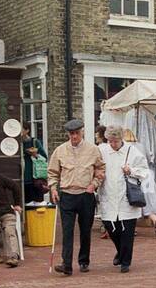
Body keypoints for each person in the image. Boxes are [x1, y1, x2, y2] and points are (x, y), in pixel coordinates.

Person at [47, 118, 105, 276]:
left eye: (77, 133)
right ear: (68, 134)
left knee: (86, 230)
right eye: (71, 134)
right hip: (67, 194)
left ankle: (84, 261)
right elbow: (52, 172)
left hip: (85, 195)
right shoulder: (60, 150)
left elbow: (100, 169)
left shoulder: (93, 149)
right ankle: (66, 264)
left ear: (82, 132)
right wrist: (53, 188)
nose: (74, 137)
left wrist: (94, 184)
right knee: (67, 231)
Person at [97, 124, 148, 273]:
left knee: (127, 230)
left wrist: (131, 170)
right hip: (108, 194)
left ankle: (126, 261)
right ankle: (120, 251)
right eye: (110, 141)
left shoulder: (133, 151)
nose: (112, 144)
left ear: (121, 139)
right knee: (111, 226)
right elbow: (94, 166)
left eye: (115, 141)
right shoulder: (101, 150)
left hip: (126, 196)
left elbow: (144, 171)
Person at [18, 126, 45, 204]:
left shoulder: (35, 142)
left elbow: (44, 158)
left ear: (27, 130)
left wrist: (35, 154)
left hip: (34, 180)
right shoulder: (15, 143)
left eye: (21, 130)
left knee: (35, 205)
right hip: (20, 179)